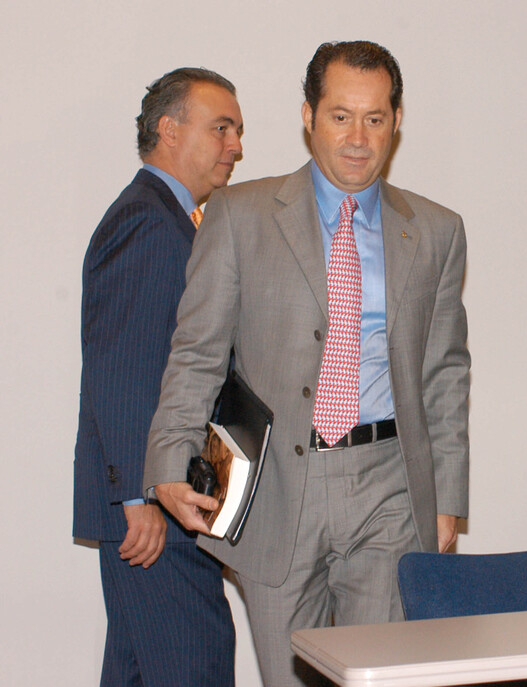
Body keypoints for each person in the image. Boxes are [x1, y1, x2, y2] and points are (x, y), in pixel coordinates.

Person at [143, 41, 470, 687]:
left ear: (396, 122)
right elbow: (197, 350)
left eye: (375, 118)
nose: (357, 137)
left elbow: (445, 370)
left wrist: (448, 494)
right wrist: (167, 456)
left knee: (382, 675)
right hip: (277, 489)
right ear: (308, 116)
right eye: (341, 116)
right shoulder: (240, 215)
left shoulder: (436, 230)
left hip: (389, 486)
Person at [74, 67, 243, 686]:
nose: (236, 146)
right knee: (192, 665)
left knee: (142, 672)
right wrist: (139, 497)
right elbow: (120, 370)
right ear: (169, 131)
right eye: (221, 127)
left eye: (239, 131)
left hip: (161, 509)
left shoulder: (169, 219)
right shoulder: (148, 222)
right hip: (156, 514)